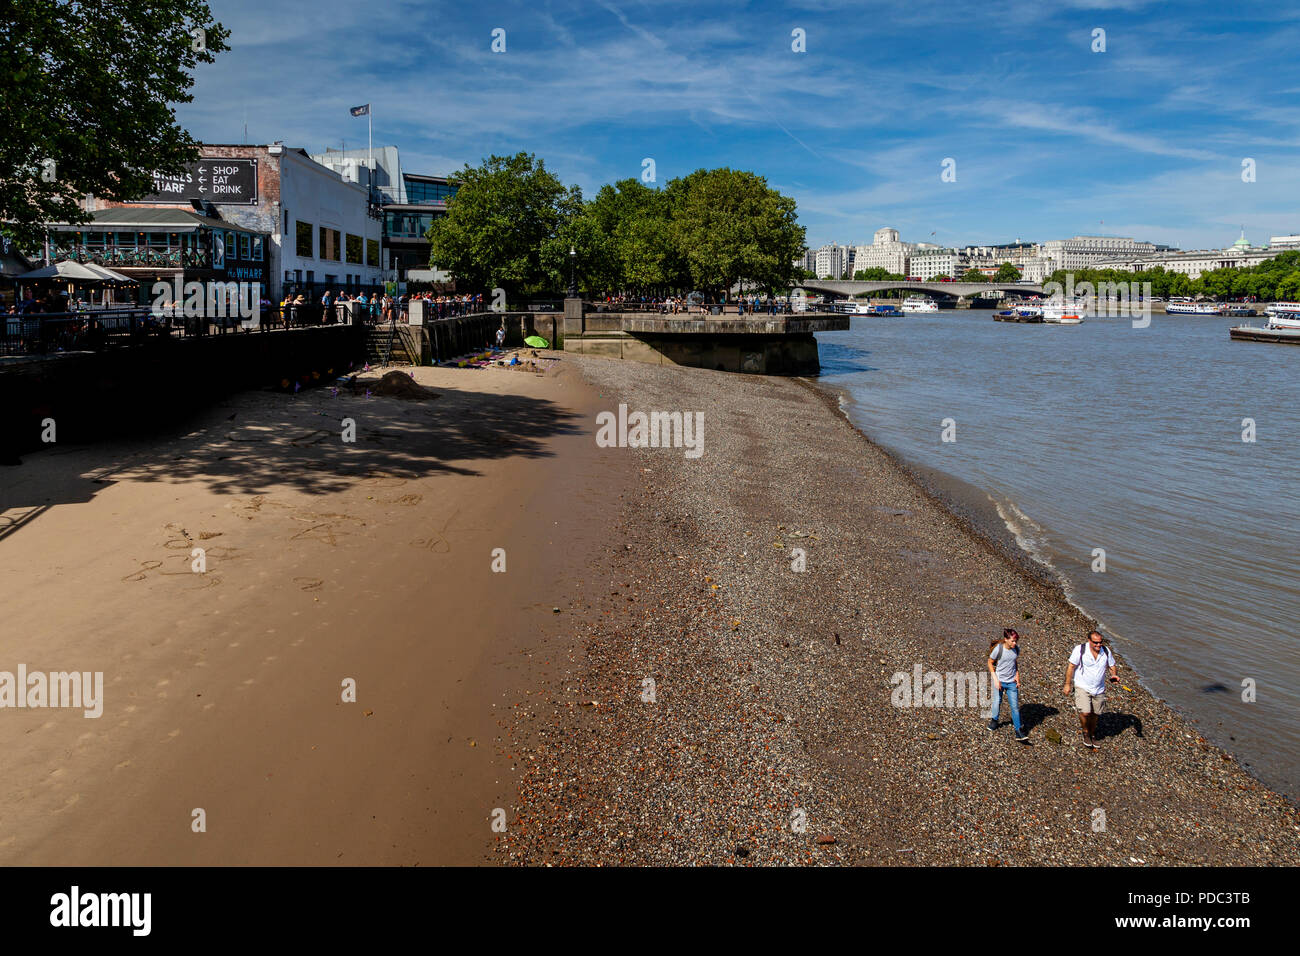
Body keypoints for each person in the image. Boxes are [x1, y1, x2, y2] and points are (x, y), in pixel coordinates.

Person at [1063, 629, 1119, 749]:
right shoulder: (1080, 649)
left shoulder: (1106, 651)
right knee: (1085, 712)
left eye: (1100, 642)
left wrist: (1114, 674)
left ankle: (1092, 734)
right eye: (1095, 643)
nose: (1098, 645)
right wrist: (1067, 684)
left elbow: (1112, 665)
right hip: (1082, 686)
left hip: (1099, 689)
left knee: (1095, 714)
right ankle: (1085, 732)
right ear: (1089, 641)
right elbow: (1071, 666)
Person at [987, 628, 1029, 742]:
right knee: (997, 702)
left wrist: (1017, 675)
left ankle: (1018, 731)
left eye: (1016, 641)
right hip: (999, 681)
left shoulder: (1016, 649)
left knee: (1015, 706)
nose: (1015, 643)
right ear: (1006, 639)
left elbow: (1014, 661)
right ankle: (994, 720)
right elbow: (990, 662)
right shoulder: (998, 649)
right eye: (1012, 641)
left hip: (1011, 683)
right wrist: (995, 679)